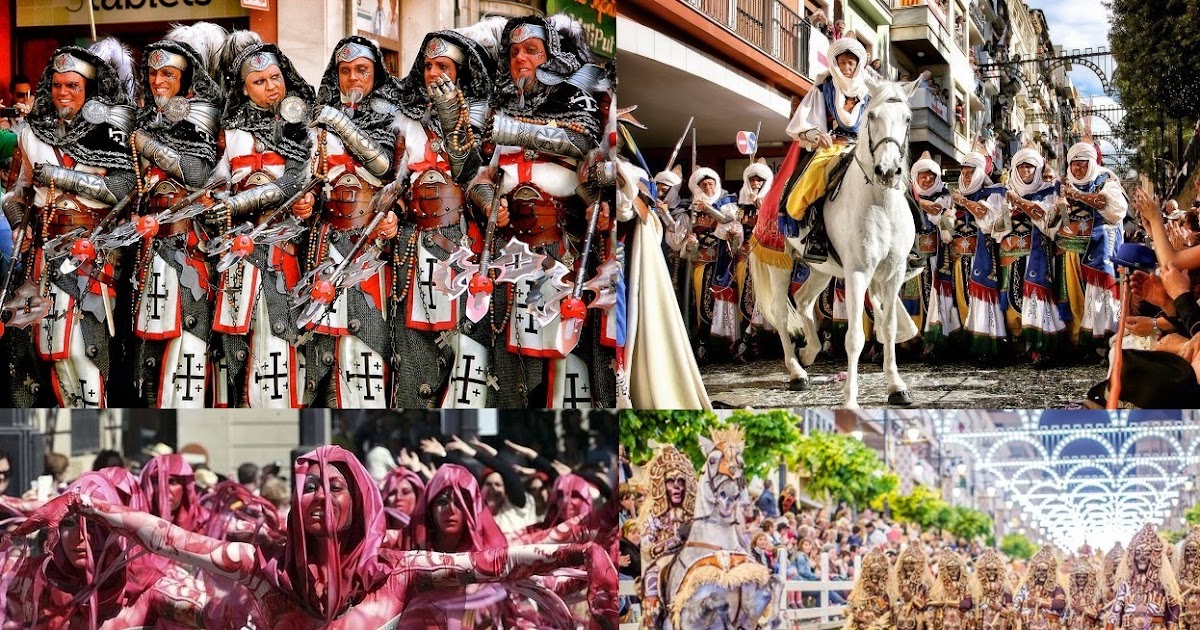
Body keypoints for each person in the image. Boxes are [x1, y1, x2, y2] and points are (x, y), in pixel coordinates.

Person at [18, 444, 617, 629]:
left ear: (360, 503)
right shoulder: (258, 567)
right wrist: (93, 509)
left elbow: (496, 562)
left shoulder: (397, 572)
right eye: (310, 486)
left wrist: (581, 553)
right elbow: (167, 538)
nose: (319, 497)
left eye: (336, 487)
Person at [469, 14, 613, 407]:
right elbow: (479, 177)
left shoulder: (575, 100)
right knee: (511, 363)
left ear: (551, 57)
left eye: (531, 50)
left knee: (562, 361)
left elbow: (586, 155)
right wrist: (488, 202)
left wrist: (596, 208)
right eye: (514, 52)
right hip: (508, 253)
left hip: (560, 249)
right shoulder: (497, 106)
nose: (520, 59)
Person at [1, 40, 138, 408]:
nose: (63, 92)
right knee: (53, 352)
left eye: (73, 85)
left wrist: (60, 176)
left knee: (84, 349)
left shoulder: (111, 130)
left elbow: (123, 189)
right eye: (57, 84)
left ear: (88, 88)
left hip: (92, 253)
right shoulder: (32, 132)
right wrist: (19, 224)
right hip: (44, 256)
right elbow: (16, 194)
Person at [389, 23, 501, 408]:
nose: (433, 74)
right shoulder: (406, 120)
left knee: (466, 349)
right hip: (414, 245)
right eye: (428, 66)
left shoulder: (485, 118)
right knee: (416, 352)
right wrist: (393, 211)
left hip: (462, 244)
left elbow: (473, 174)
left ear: (460, 73)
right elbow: (396, 182)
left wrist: (452, 116)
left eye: (443, 67)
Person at [207, 33, 315, 408]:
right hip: (237, 254)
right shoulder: (230, 132)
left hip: (282, 251)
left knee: (278, 342)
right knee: (239, 344)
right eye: (259, 81)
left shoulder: (303, 126)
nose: (270, 87)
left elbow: (297, 182)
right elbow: (217, 183)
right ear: (244, 88)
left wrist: (307, 202)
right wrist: (217, 200)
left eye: (275, 78)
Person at [300, 36, 402, 409]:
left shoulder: (395, 119)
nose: (353, 78)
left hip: (369, 245)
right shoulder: (317, 122)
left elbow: (396, 176)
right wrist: (306, 203)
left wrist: (395, 216)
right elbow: (310, 180)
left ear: (376, 73)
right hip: (327, 243)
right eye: (345, 71)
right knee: (324, 342)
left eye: (362, 70)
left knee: (367, 347)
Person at [130, 23, 226, 408]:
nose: (158, 81)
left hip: (191, 243)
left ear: (185, 77)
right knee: (148, 347)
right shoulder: (143, 118)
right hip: (149, 244)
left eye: (168, 74)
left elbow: (198, 174)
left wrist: (149, 146)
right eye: (153, 73)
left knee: (189, 339)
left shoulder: (203, 113)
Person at [1059, 139, 1127, 357]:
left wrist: (1078, 196)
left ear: (1092, 163)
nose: (1078, 169)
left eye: (1082, 164)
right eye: (1074, 164)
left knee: (1101, 296)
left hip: (1100, 251)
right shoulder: (1063, 186)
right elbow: (1061, 221)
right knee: (1074, 299)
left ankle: (1104, 341)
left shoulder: (1106, 180)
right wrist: (1061, 208)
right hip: (1071, 251)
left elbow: (1112, 207)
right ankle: (1079, 342)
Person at [1005, 147, 1065, 366]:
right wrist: (1007, 215)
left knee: (1038, 300)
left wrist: (1019, 203)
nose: (1025, 171)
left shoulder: (1050, 192)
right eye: (1021, 167)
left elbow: (1048, 219)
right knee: (1013, 300)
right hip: (1011, 256)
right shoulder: (1005, 193)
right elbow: (997, 228)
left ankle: (1039, 345)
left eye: (1030, 166)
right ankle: (1019, 344)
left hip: (1038, 255)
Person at [952, 150, 1009, 359]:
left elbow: (988, 217)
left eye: (970, 173)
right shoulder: (956, 197)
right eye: (964, 173)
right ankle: (968, 343)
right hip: (960, 258)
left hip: (984, 256)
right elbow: (947, 229)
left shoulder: (995, 193)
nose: (966, 177)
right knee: (963, 301)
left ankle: (988, 344)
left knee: (985, 300)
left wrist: (963, 202)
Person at [910, 152, 957, 356]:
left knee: (932, 297)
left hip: (934, 258)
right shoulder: (905, 198)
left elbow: (948, 232)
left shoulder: (945, 198)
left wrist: (943, 216)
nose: (927, 179)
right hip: (910, 255)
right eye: (923, 176)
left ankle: (932, 339)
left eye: (931, 176)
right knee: (911, 296)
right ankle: (910, 338)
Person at [1106, 523, 1180, 630]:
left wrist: (1171, 627)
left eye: (1146, 553)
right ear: (1133, 557)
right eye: (1138, 553)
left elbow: (1174, 608)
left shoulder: (1163, 583)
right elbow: (1114, 614)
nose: (1142, 557)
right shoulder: (1125, 585)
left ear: (1154, 557)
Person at [1014, 545, 1066, 628]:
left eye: (1044, 570)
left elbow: (1061, 604)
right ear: (1034, 571)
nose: (1041, 573)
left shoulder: (1056, 587)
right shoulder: (1027, 585)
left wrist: (1040, 602)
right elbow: (1016, 603)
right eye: (1038, 570)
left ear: (1050, 572)